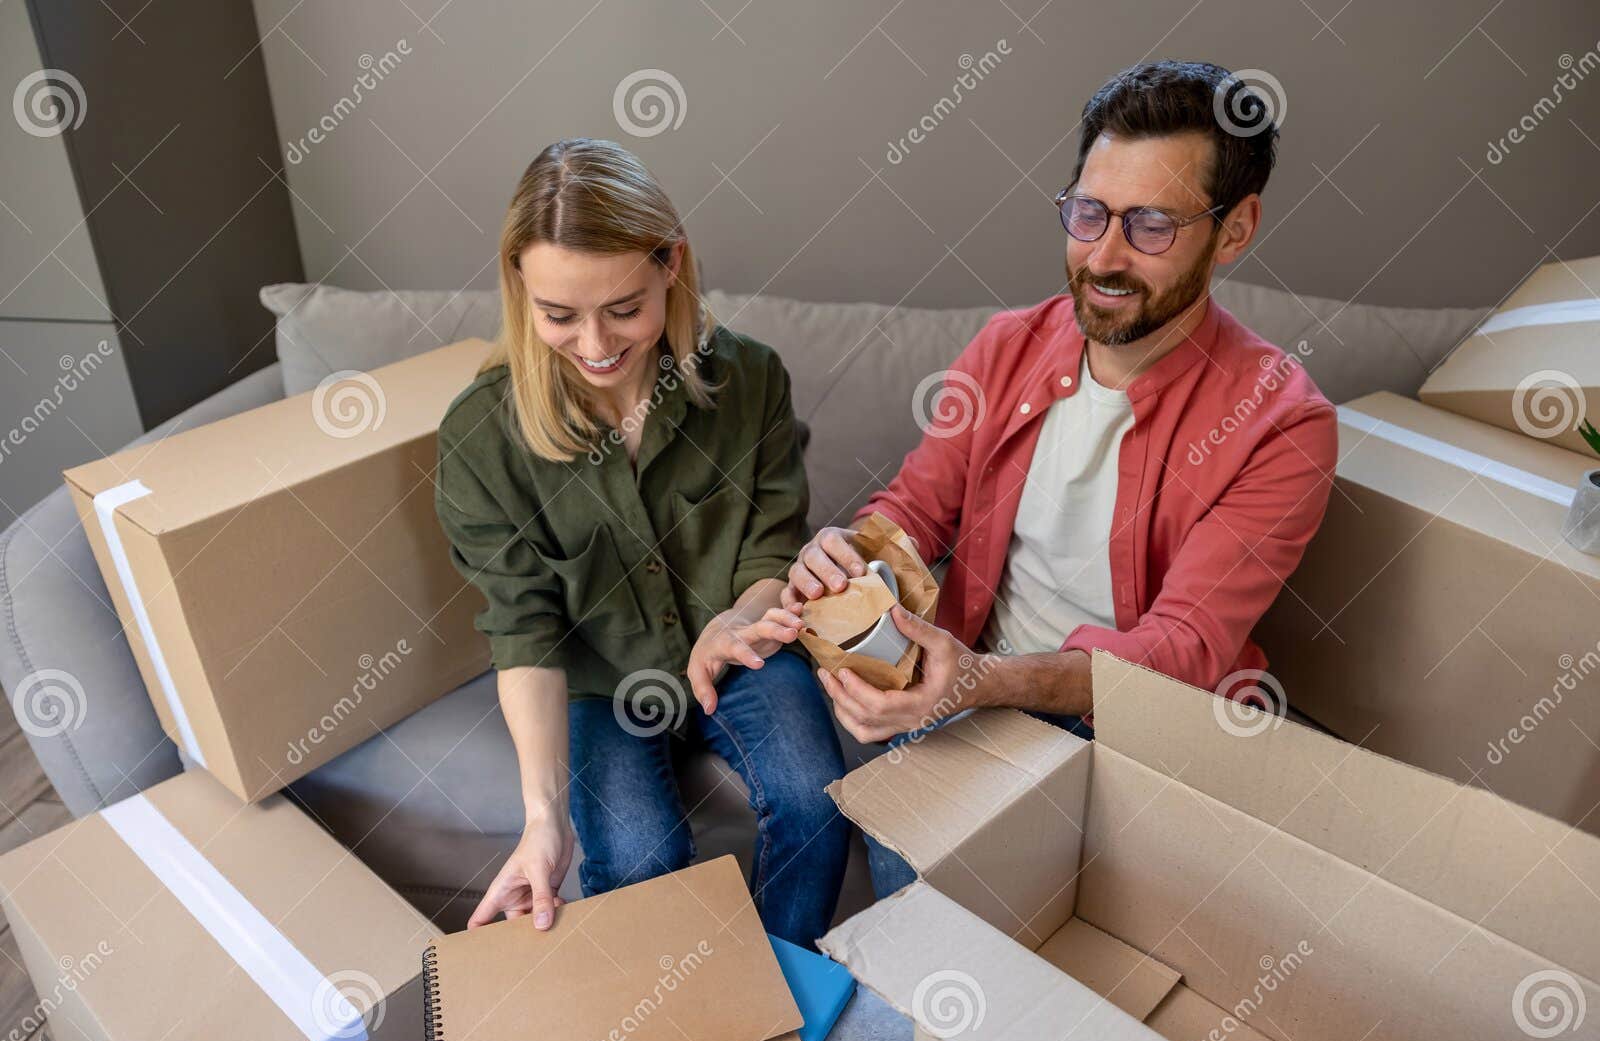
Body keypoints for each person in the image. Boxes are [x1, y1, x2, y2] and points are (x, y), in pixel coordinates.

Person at [784, 61, 1337, 896]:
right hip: (971, 691)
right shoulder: (1007, 347)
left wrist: (982, 681)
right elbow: (914, 514)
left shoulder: (1281, 423)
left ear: (1234, 229)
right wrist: (845, 553)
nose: (1103, 256)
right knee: (911, 855)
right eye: (1088, 212)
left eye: (1151, 224)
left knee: (978, 883)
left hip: (1131, 728)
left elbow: (1179, 652)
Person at [436, 138, 848, 943]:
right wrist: (542, 819)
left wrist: (739, 620)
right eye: (559, 315)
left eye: (625, 308)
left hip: (745, 647)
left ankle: (779, 1001)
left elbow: (771, 553)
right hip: (601, 687)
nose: (595, 345)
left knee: (816, 798)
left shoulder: (750, 379)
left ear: (673, 265)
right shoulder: (479, 437)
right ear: (521, 288)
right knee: (632, 864)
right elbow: (524, 633)